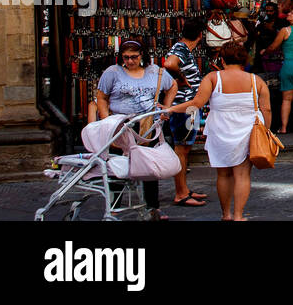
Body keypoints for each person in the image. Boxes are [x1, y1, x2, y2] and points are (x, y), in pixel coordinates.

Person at [165, 41, 271, 221]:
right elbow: (266, 109)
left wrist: (170, 109)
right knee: (242, 174)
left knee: (223, 174)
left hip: (220, 129)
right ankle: (238, 216)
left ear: (222, 60)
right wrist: (266, 130)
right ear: (244, 60)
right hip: (247, 129)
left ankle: (226, 214)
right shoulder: (256, 80)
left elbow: (196, 103)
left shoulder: (213, 78)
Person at [95, 40, 178, 219]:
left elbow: (172, 86)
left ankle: (152, 206)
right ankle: (114, 205)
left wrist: (166, 108)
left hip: (148, 124)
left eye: (134, 57)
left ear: (142, 56)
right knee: (117, 163)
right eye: (126, 57)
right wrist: (106, 119)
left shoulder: (154, 71)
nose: (130, 61)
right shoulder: (113, 72)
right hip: (122, 124)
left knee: (149, 166)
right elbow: (101, 97)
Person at [162, 18, 207, 206]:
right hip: (185, 108)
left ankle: (184, 190)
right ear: (200, 35)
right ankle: (180, 193)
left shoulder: (182, 49)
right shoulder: (180, 49)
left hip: (189, 107)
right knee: (182, 149)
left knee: (185, 148)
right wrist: (181, 78)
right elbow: (169, 64)